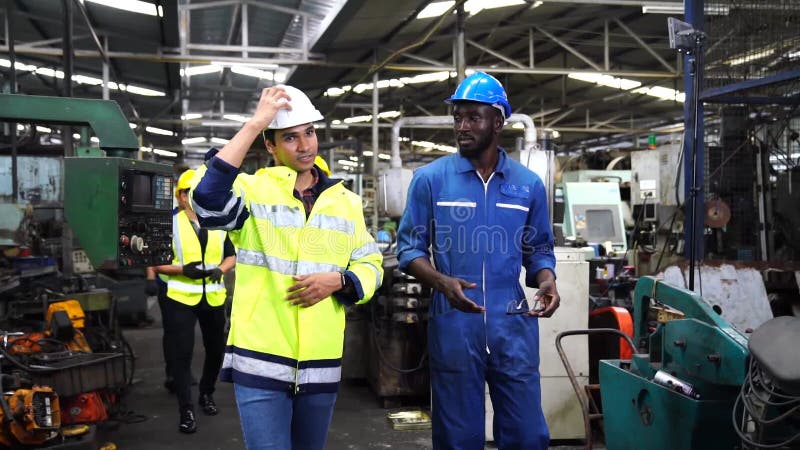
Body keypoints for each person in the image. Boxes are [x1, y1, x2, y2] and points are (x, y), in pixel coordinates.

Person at [190, 84, 383, 450]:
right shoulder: (252, 191)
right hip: (262, 363)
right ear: (270, 145)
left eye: (309, 132)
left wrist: (341, 280)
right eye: (290, 137)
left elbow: (371, 262)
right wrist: (254, 124)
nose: (305, 145)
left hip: (320, 362)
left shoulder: (345, 202)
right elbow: (208, 202)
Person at [396, 71, 560, 449]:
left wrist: (547, 280)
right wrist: (441, 282)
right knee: (458, 437)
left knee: (526, 435)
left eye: (473, 117)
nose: (462, 126)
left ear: (498, 121)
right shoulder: (431, 180)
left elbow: (538, 249)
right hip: (455, 320)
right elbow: (409, 249)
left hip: (512, 321)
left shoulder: (527, 185)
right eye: (458, 117)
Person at [147, 168, 236, 434]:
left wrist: (222, 269)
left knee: (216, 351)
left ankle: (206, 394)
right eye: (189, 192)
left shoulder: (219, 222)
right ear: (181, 196)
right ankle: (186, 409)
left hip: (213, 295)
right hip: (180, 298)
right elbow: (155, 261)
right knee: (181, 355)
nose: (194, 197)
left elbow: (231, 255)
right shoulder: (168, 224)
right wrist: (183, 270)